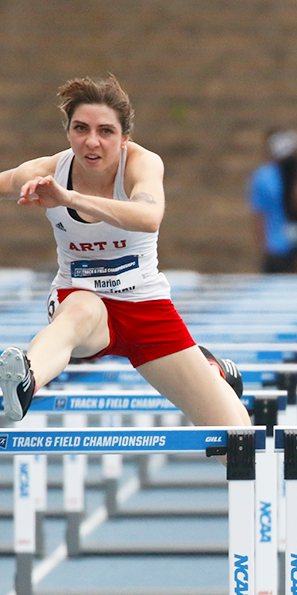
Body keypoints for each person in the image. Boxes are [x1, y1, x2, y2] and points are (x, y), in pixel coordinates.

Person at [0, 75, 250, 430]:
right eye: (80, 129)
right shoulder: (44, 171)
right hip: (82, 302)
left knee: (236, 437)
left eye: (105, 131)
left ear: (124, 138)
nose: (91, 141)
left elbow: (149, 218)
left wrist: (70, 198)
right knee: (82, 309)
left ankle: (209, 368)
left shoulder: (142, 165)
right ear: (68, 132)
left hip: (146, 309)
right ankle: (25, 379)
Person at [247, 128, 297, 273]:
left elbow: (259, 217)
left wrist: (263, 247)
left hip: (275, 247)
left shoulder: (261, 176)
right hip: (296, 247)